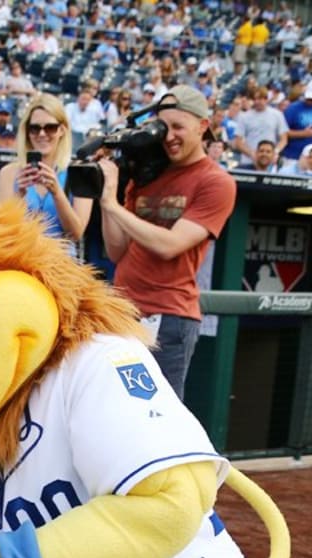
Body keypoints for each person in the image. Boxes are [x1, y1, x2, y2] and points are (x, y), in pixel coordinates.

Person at [97, 85, 237, 401]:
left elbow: (171, 244)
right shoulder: (148, 174)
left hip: (169, 318)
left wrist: (112, 206)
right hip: (123, 311)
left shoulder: (216, 182)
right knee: (115, 407)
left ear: (203, 126)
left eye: (178, 127)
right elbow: (116, 251)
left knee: (159, 414)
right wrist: (109, 192)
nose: (169, 136)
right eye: (164, 127)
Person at [0, 93, 92, 258]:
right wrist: (18, 195)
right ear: (27, 132)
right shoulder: (9, 173)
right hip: (20, 261)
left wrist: (57, 192)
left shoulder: (79, 173)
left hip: (61, 268)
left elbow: (76, 233)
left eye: (50, 127)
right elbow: (2, 230)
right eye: (35, 128)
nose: (41, 134)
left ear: (62, 130)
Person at [232, 87, 287, 168]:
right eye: (255, 99)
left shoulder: (277, 115)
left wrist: (275, 152)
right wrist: (251, 153)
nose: (257, 102)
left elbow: (284, 139)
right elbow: (238, 142)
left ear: (266, 99)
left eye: (260, 99)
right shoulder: (244, 116)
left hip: (269, 162)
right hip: (249, 161)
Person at [281, 81, 312, 167]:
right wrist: (303, 134)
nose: (310, 101)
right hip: (294, 156)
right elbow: (283, 132)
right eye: (309, 98)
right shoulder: (293, 108)